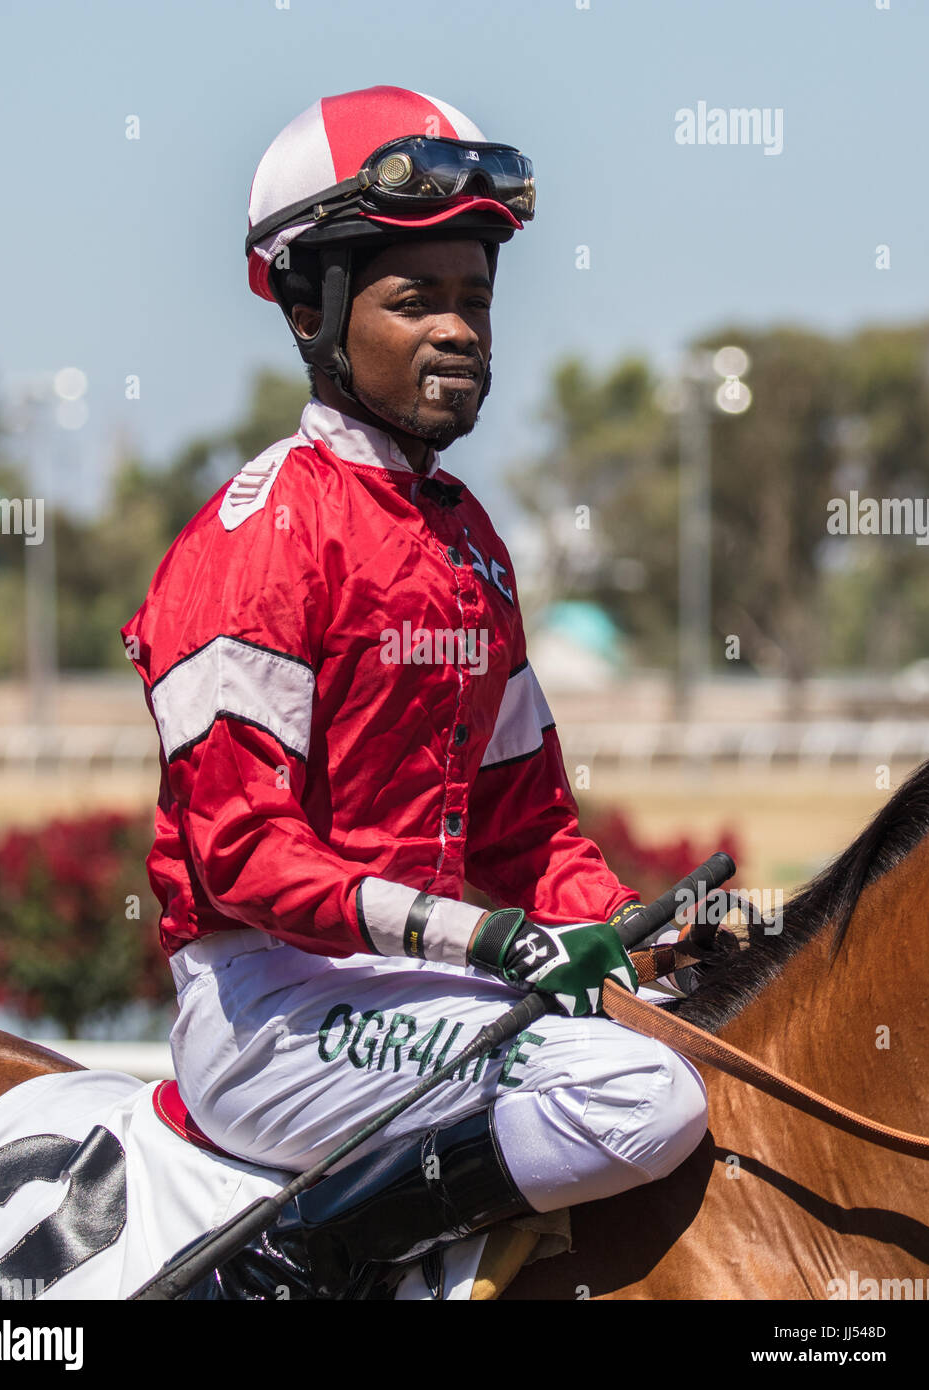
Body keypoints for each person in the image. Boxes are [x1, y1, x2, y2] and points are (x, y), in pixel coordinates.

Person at [123, 85, 708, 1300]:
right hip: (269, 1009)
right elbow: (242, 857)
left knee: (706, 1042)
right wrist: (473, 932)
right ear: (311, 308)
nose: (459, 331)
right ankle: (302, 1256)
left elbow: (527, 830)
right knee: (642, 1095)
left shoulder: (469, 545)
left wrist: (644, 931)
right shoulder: (257, 538)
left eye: (477, 300)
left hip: (424, 995)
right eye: (416, 299)